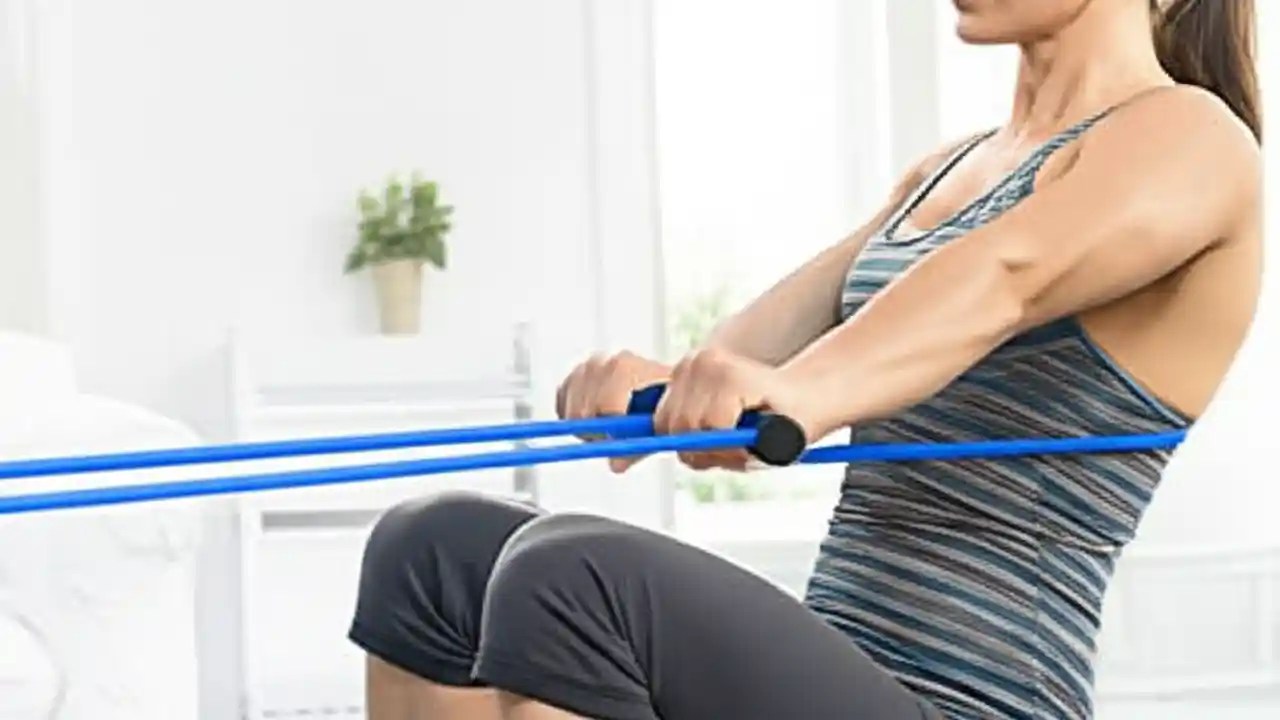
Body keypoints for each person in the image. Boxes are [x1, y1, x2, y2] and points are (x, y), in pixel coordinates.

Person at [347, 0, 1263, 718]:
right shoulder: (949, 172)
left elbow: (1005, 279)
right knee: (428, 551)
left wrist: (801, 396)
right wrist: (655, 389)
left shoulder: (1193, 140)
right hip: (844, 664)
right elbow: (768, 346)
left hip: (981, 699)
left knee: (568, 578)